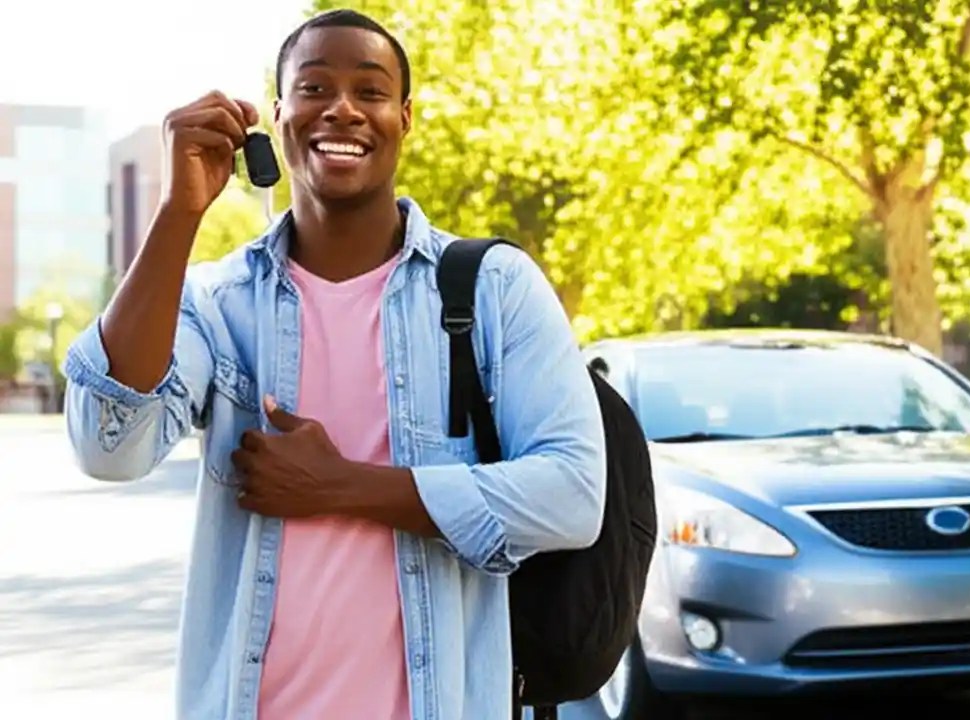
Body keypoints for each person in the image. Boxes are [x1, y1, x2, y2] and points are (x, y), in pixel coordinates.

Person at [61, 9, 607, 720]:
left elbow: (572, 495)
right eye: (314, 88)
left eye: (371, 92)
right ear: (279, 116)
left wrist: (343, 485)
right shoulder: (216, 302)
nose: (343, 109)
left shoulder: (495, 287)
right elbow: (109, 447)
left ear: (405, 118)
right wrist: (177, 214)